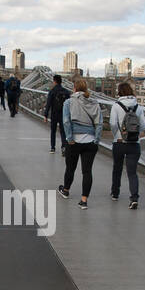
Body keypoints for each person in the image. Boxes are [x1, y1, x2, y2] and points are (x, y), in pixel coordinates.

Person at [59, 78, 102, 210]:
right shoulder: (94, 102)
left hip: (74, 141)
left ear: (75, 89)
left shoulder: (69, 102)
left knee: (70, 168)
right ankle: (84, 200)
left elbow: (66, 121)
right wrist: (96, 140)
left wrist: (69, 138)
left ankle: (65, 190)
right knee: (87, 171)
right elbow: (99, 123)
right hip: (90, 141)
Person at [108, 81, 145, 209]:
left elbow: (113, 124)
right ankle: (134, 198)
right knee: (132, 172)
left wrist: (117, 135)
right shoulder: (138, 107)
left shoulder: (116, 106)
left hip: (119, 143)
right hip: (134, 144)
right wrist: (135, 134)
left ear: (119, 92)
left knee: (117, 168)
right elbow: (143, 125)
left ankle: (115, 193)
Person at [44, 74, 71, 153]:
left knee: (53, 131)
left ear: (54, 81)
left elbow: (48, 104)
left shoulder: (52, 91)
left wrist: (45, 115)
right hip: (63, 114)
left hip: (54, 114)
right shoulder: (66, 92)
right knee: (63, 132)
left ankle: (53, 148)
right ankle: (64, 148)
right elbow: (69, 104)